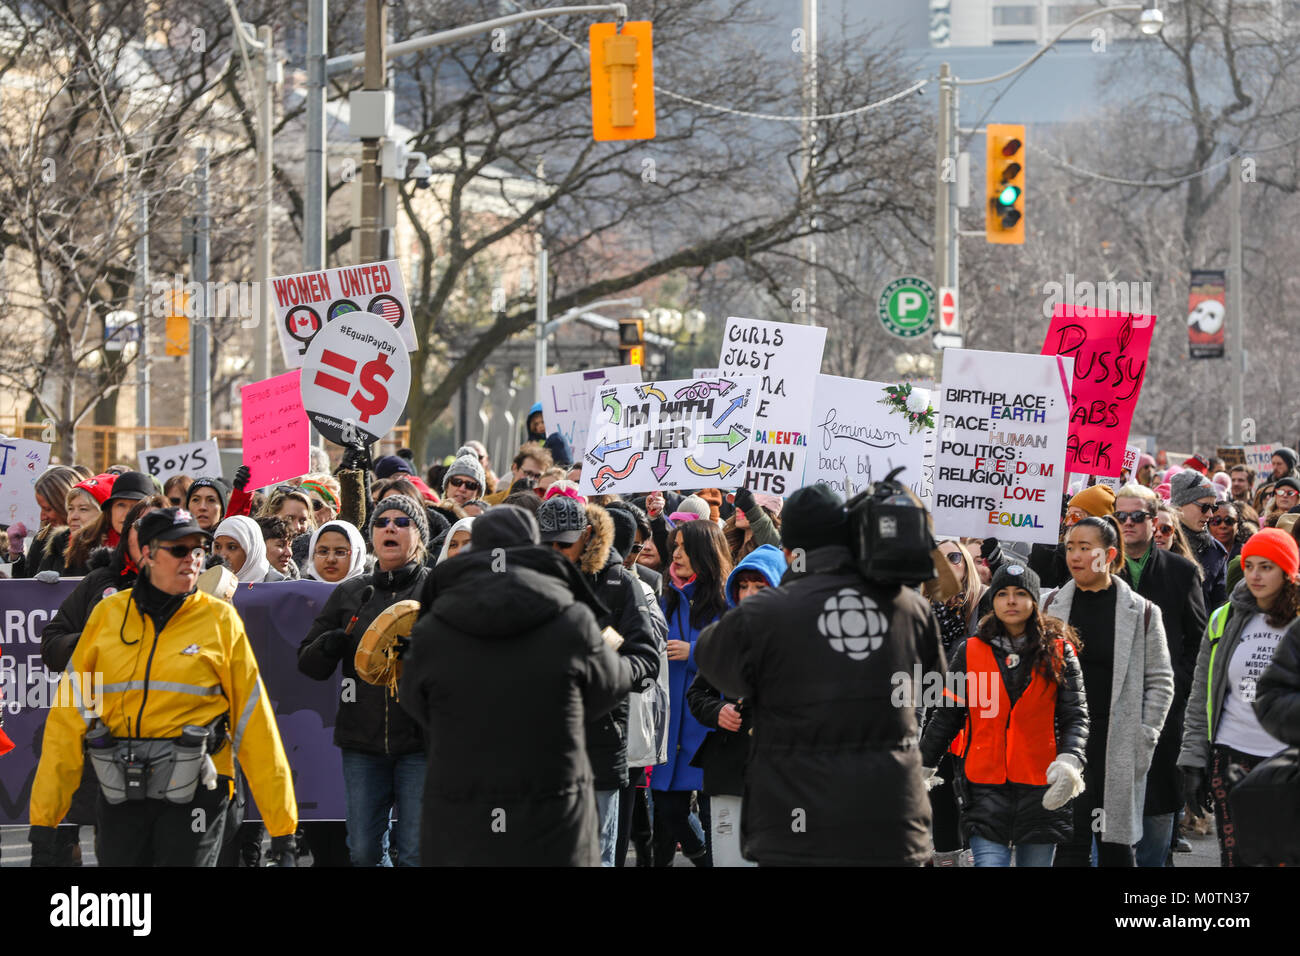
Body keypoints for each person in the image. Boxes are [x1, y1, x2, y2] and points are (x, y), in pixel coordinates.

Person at [28, 507, 299, 867]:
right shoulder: (108, 616)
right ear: (147, 554)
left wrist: (283, 831)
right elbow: (66, 723)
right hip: (120, 785)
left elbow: (256, 726)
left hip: (197, 788)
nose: (192, 559)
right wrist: (44, 826)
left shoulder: (220, 620)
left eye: (199, 549)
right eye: (179, 550)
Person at [695, 485, 944, 865]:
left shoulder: (765, 612)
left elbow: (714, 662)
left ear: (789, 550)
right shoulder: (909, 606)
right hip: (891, 820)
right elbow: (935, 684)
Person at [399, 505, 629, 865]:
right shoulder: (572, 619)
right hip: (552, 806)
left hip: (462, 806)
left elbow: (414, 702)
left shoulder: (433, 628)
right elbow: (611, 686)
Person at [920, 564, 1089, 867]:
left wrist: (1070, 760)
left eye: (1020, 593)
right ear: (993, 601)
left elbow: (1075, 715)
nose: (1011, 601)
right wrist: (921, 767)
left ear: (1034, 601)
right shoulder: (970, 651)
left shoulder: (1059, 652)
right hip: (985, 787)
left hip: (1042, 786)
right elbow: (946, 716)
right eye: (1003, 594)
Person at [297, 495, 430, 866]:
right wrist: (327, 646)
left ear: (418, 536)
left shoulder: (437, 589)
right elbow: (308, 664)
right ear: (372, 535)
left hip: (420, 743)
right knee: (364, 852)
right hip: (362, 744)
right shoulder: (351, 593)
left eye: (402, 522)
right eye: (382, 522)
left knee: (416, 852)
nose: (390, 527)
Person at [36, 495, 164, 863]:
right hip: (102, 738)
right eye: (144, 528)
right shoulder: (100, 584)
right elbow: (52, 644)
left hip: (169, 747)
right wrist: (96, 641)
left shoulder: (193, 594)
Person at [535, 496, 661, 866]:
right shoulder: (524, 581)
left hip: (599, 744)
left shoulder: (620, 584)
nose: (556, 552)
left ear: (587, 535)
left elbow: (646, 659)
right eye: (548, 544)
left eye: (565, 543)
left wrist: (602, 671)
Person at [1044, 516, 1174, 867]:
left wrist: (1145, 736)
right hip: (1065, 742)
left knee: (1116, 847)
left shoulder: (1143, 612)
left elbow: (1161, 681)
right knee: (1067, 845)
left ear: (1110, 554)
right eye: (1070, 547)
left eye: (1085, 548)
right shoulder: (1050, 606)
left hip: (1117, 743)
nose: (1075, 556)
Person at [1179, 528, 1299, 866]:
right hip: (1232, 759)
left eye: (1267, 567)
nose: (1255, 575)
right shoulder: (1224, 618)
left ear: (1287, 571)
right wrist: (1193, 759)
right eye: (1249, 566)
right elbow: (1201, 693)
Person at [1113, 484, 1208, 867]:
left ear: (1154, 523)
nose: (1128, 523)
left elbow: (1198, 641)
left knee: (1158, 797)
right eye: (1120, 516)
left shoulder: (1182, 572)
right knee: (1107, 796)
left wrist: (1178, 685)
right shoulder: (1098, 568)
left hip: (1162, 707)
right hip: (1109, 703)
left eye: (1137, 516)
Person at [687, 543, 786, 867]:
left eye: (760, 586)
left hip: (784, 773)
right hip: (730, 768)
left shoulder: (804, 639)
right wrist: (718, 712)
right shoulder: (726, 636)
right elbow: (697, 694)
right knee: (731, 861)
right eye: (743, 586)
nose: (749, 594)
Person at [648, 518, 732, 866]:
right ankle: (702, 859)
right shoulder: (667, 598)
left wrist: (694, 652)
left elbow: (739, 656)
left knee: (719, 825)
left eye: (684, 546)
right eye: (675, 545)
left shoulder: (730, 601)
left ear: (704, 552)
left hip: (714, 728)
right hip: (671, 728)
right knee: (669, 810)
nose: (676, 553)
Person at [921, 538, 987, 863]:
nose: (946, 563)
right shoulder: (918, 607)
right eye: (937, 557)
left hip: (976, 713)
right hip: (934, 711)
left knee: (974, 795)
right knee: (941, 791)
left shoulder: (986, 605)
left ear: (968, 564)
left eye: (954, 556)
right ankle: (946, 856)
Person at [60, 471, 155, 577]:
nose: (127, 514)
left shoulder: (166, 545)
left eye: (135, 506)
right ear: (110, 511)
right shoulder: (83, 547)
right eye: (121, 505)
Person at [1030, 484, 1115, 589]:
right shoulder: (1066, 551)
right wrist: (1048, 529)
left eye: (1076, 516)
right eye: (1068, 516)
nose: (1068, 522)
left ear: (1097, 520)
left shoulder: (1115, 560)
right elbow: (1041, 578)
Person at [1170, 471, 1229, 613]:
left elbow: (1220, 605)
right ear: (1180, 505)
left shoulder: (1216, 551)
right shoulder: (1160, 542)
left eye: (1213, 508)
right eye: (1204, 507)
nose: (1210, 514)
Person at [6, 465, 80, 577]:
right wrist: (16, 554)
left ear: (63, 503)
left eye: (48, 509)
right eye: (40, 508)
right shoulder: (42, 539)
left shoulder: (92, 541)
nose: (42, 517)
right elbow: (25, 586)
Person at [38, 473, 115, 574]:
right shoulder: (58, 545)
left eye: (83, 509)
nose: (73, 517)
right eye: (70, 509)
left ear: (104, 515)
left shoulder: (120, 554)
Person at [212, 515, 286, 583]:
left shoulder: (281, 590)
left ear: (252, 551)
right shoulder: (205, 586)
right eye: (217, 547)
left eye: (232, 547)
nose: (222, 555)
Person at [721, 486, 782, 563]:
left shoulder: (774, 549)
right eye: (738, 503)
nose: (737, 508)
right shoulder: (725, 541)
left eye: (746, 505)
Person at [484, 442, 551, 506]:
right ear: (515, 468)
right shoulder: (489, 504)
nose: (532, 479)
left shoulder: (544, 507)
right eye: (528, 473)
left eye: (537, 476)